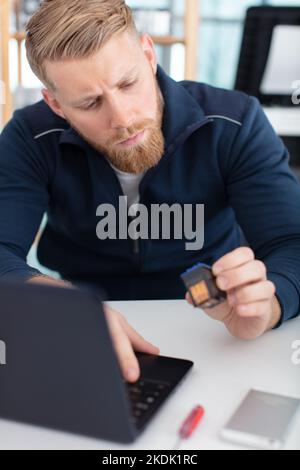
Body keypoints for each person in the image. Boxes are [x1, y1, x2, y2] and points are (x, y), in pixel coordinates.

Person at [1, 0, 300, 383]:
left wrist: (269, 305)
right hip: (87, 327)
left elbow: (291, 242)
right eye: (90, 103)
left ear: (147, 54)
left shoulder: (234, 122)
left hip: (213, 329)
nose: (122, 119)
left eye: (128, 83)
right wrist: (60, 304)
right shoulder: (30, 136)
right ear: (56, 104)